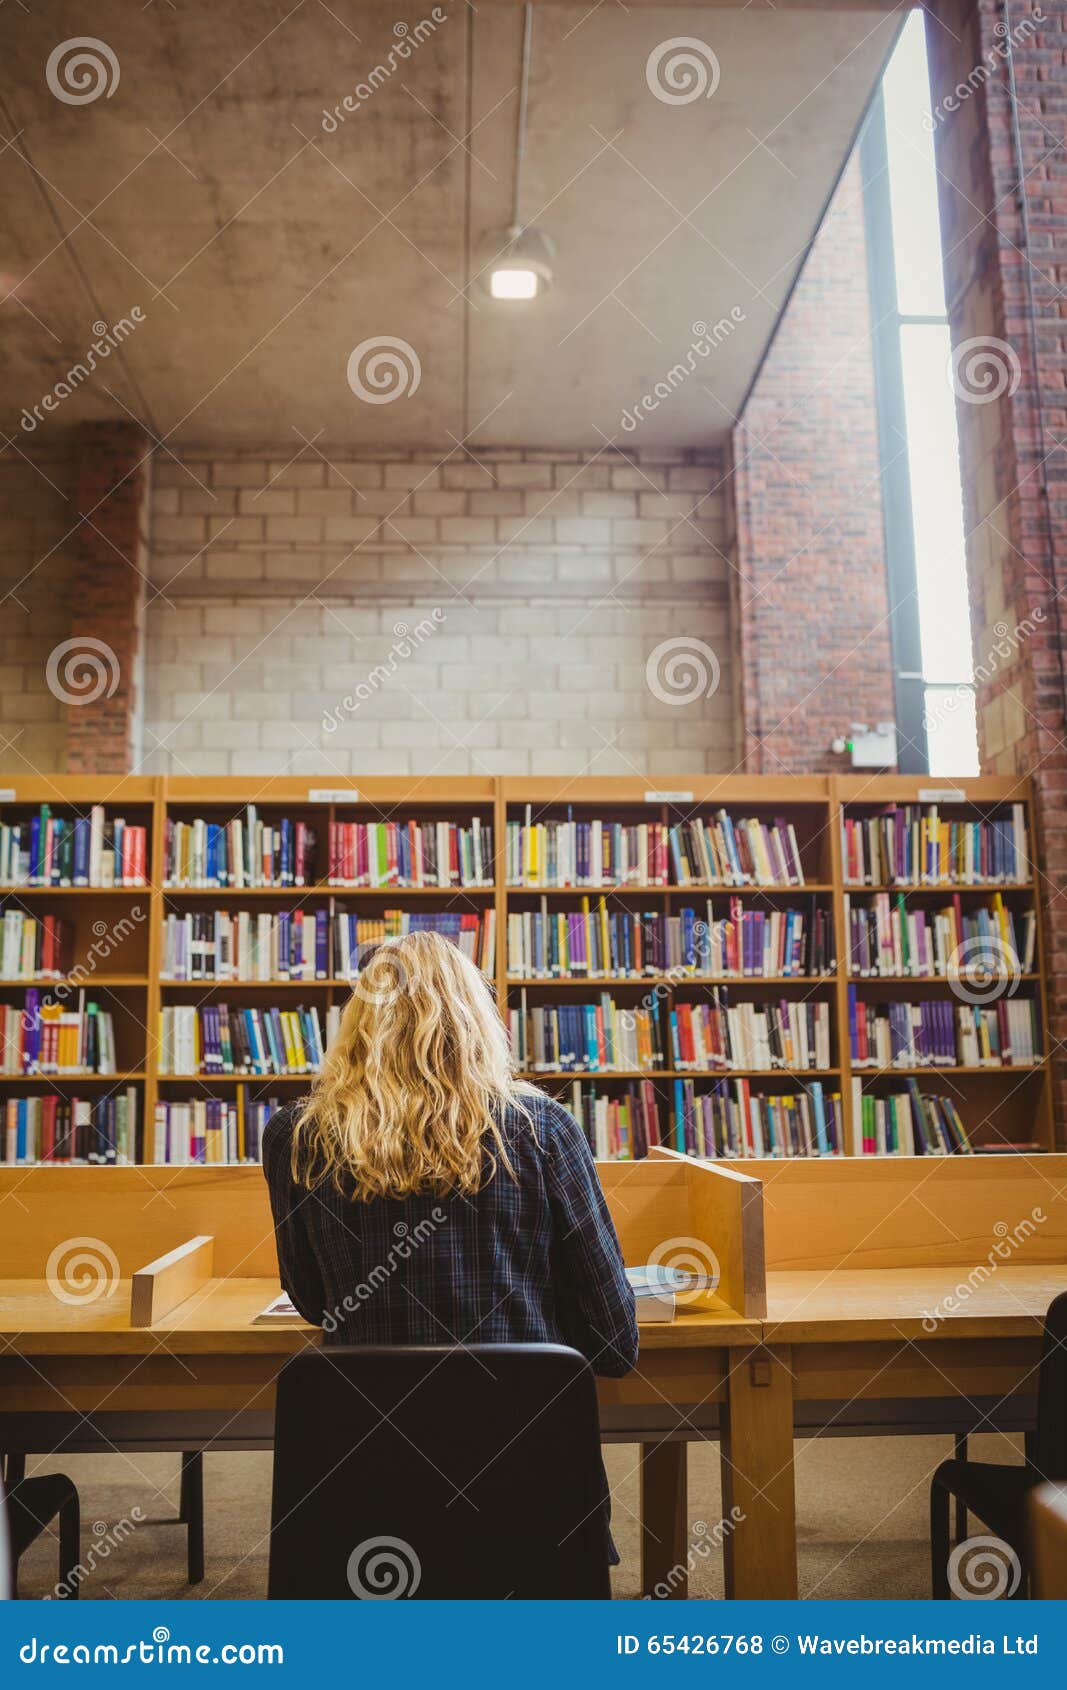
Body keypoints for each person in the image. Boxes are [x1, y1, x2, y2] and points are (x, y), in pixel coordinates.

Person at [261, 930, 638, 1560]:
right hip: (532, 1485)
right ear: (475, 1018)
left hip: (367, 1487)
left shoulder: (296, 1135)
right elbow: (615, 1342)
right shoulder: (542, 1128)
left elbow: (311, 1297)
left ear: (359, 1020)